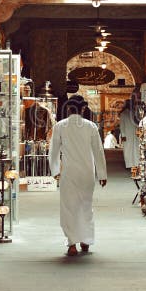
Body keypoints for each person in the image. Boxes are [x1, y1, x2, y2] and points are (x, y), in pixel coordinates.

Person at [49, 95, 108, 256]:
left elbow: (53, 150)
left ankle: (72, 243)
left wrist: (55, 171)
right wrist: (102, 174)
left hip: (69, 173)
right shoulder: (91, 127)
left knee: (69, 207)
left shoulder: (60, 126)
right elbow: (98, 151)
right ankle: (85, 240)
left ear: (68, 108)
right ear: (83, 109)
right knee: (85, 206)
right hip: (87, 173)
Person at [118, 100, 140, 169]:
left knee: (134, 149)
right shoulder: (123, 114)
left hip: (134, 133)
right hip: (128, 134)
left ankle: (136, 163)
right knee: (129, 149)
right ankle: (129, 164)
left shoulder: (134, 112)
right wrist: (123, 135)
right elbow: (122, 125)